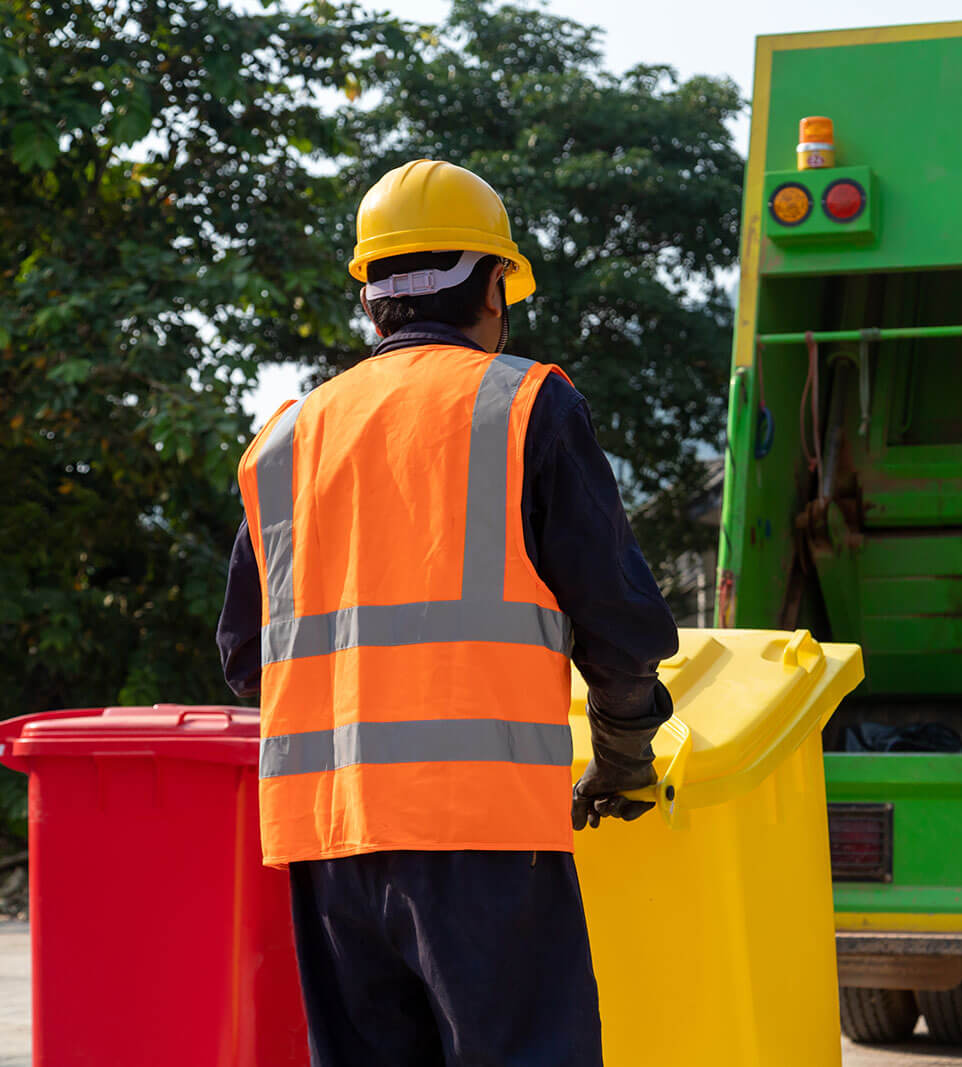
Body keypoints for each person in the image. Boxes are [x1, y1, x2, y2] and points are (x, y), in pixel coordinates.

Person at [215, 159, 679, 1065]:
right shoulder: (525, 403)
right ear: (492, 284)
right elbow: (619, 628)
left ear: (371, 298)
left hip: (329, 839)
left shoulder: (286, 438)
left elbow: (246, 658)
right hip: (487, 835)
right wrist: (623, 758)